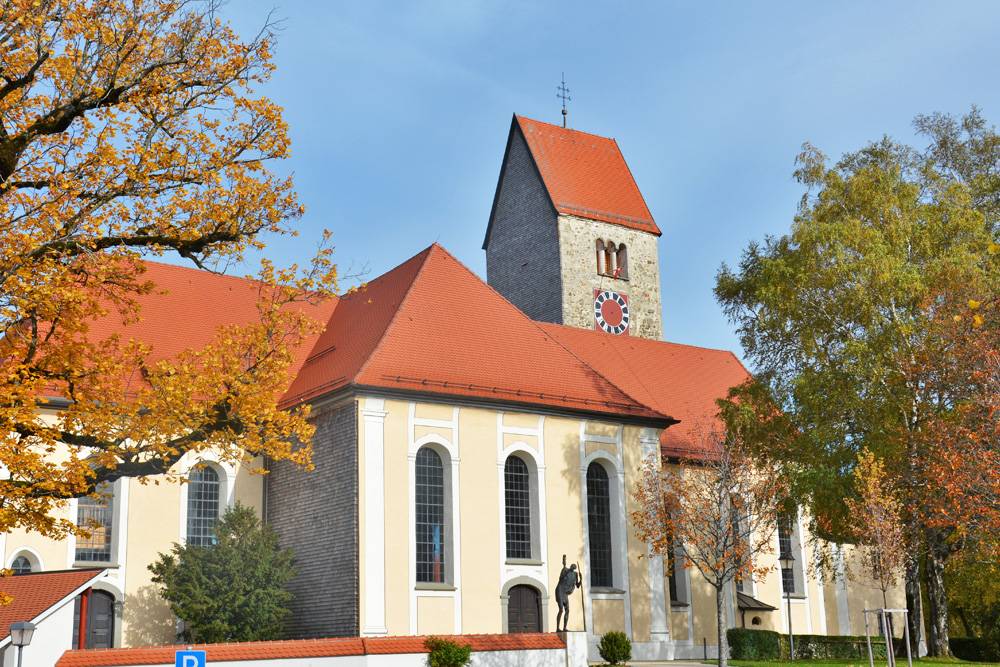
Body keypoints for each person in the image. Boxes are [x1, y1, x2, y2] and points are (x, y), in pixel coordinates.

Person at [555, 554, 582, 632]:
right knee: (561, 609)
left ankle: (564, 627)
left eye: (574, 567)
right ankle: (557, 628)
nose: (572, 567)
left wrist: (581, 579)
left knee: (567, 610)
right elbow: (561, 575)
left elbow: (577, 585)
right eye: (572, 566)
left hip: (565, 593)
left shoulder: (575, 574)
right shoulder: (565, 570)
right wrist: (564, 559)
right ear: (570, 566)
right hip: (560, 590)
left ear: (575, 568)